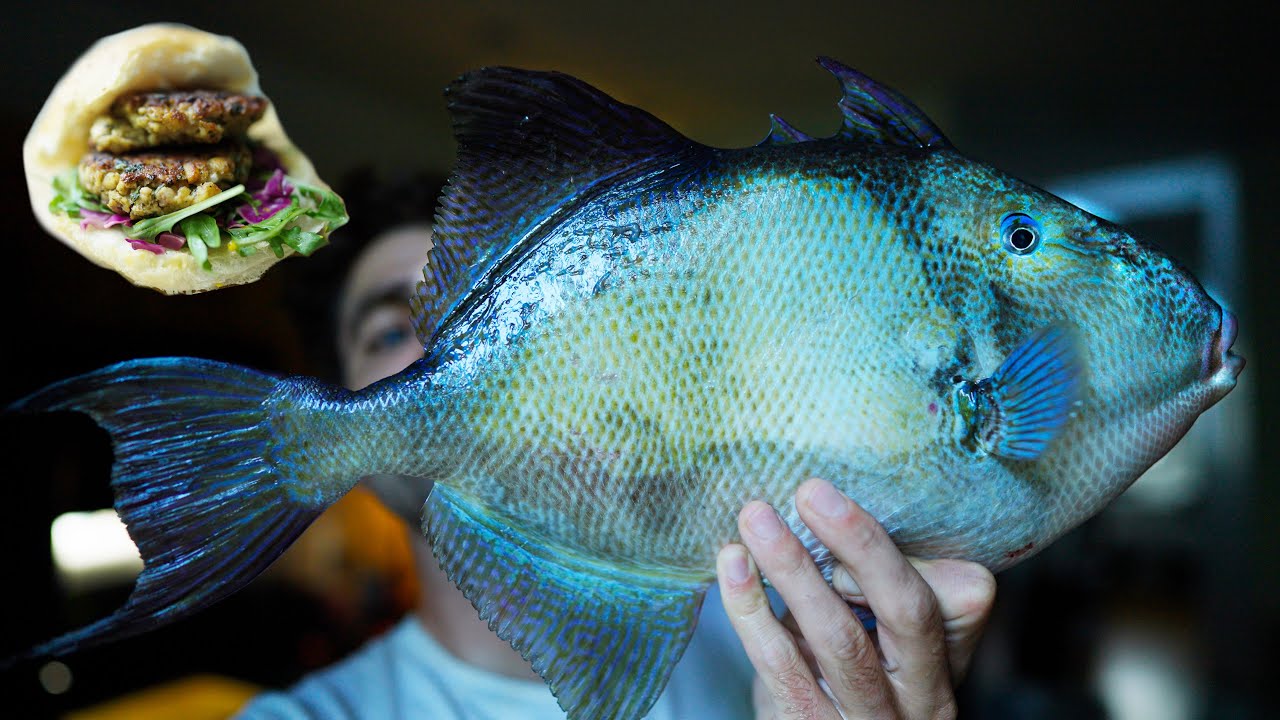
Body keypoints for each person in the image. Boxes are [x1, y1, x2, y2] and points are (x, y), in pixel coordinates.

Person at [236, 170, 996, 719]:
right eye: (391, 330)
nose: (447, 351)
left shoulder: (793, 630)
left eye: (486, 313)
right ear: (342, 410)